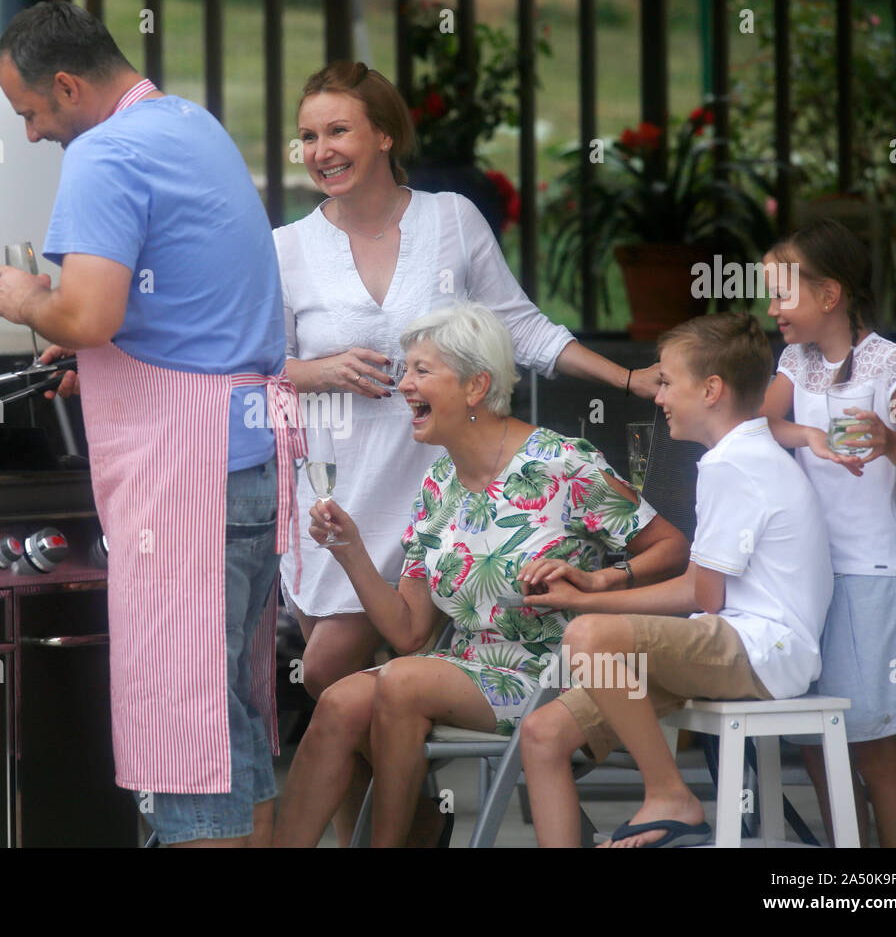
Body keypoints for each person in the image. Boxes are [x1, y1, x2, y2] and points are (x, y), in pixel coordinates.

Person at [0, 1, 301, 848]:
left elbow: (87, 314)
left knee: (181, 728)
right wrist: (98, 371)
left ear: (65, 85)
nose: (30, 136)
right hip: (244, 461)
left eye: (30, 114)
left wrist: (27, 301)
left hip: (183, 483)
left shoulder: (105, 151)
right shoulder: (191, 124)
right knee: (231, 715)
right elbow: (188, 316)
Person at [277, 61, 661, 706]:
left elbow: (522, 329)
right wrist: (317, 371)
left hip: (445, 491)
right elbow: (250, 371)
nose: (321, 152)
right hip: (339, 490)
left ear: (384, 136)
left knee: (329, 672)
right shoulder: (286, 247)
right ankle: (415, 810)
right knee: (340, 691)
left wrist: (625, 377)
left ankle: (416, 808)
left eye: (338, 131)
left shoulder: (450, 219)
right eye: (309, 137)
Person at [271, 303, 688, 847]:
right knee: (338, 701)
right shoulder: (437, 485)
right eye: (406, 371)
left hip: (559, 673)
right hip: (466, 669)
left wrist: (609, 580)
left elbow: (671, 546)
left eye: (422, 370)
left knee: (402, 680)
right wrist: (349, 551)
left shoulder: (561, 463)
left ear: (476, 386)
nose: (404, 385)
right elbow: (408, 632)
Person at [519, 312, 834, 847]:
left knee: (588, 637)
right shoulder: (740, 455)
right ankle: (665, 796)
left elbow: (701, 595)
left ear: (711, 389)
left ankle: (669, 795)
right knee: (543, 733)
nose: (658, 396)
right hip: (725, 640)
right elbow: (699, 590)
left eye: (666, 382)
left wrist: (586, 606)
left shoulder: (733, 464)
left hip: (763, 649)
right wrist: (594, 587)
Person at [759, 219, 896, 847]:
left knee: (873, 749)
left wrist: (890, 441)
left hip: (871, 579)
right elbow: (761, 426)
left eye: (783, 293)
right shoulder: (794, 363)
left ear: (829, 295)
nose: (772, 308)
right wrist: (807, 434)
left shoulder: (894, 364)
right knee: (816, 747)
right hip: (807, 577)